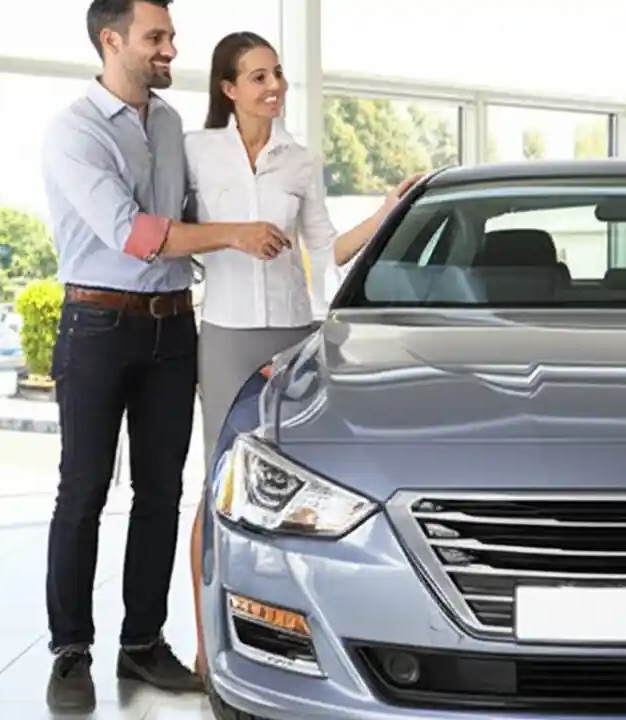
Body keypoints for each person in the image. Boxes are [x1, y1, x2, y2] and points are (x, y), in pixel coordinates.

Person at [41, 0, 292, 713]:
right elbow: (137, 233)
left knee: (162, 493)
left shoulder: (170, 125)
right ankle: (70, 649)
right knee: (84, 490)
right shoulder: (75, 132)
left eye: (171, 36)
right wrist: (234, 233)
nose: (169, 48)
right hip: (97, 325)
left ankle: (143, 642)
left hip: (173, 328)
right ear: (111, 39)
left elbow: (191, 210)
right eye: (157, 37)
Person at [183, 30, 421, 679]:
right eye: (258, 77)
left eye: (278, 73)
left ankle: (289, 633)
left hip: (293, 334)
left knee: (290, 489)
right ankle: (209, 645)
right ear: (229, 89)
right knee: (218, 487)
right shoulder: (196, 153)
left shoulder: (300, 161)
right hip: (228, 335)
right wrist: (231, 237)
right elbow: (173, 235)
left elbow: (329, 249)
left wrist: (387, 211)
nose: (274, 87)